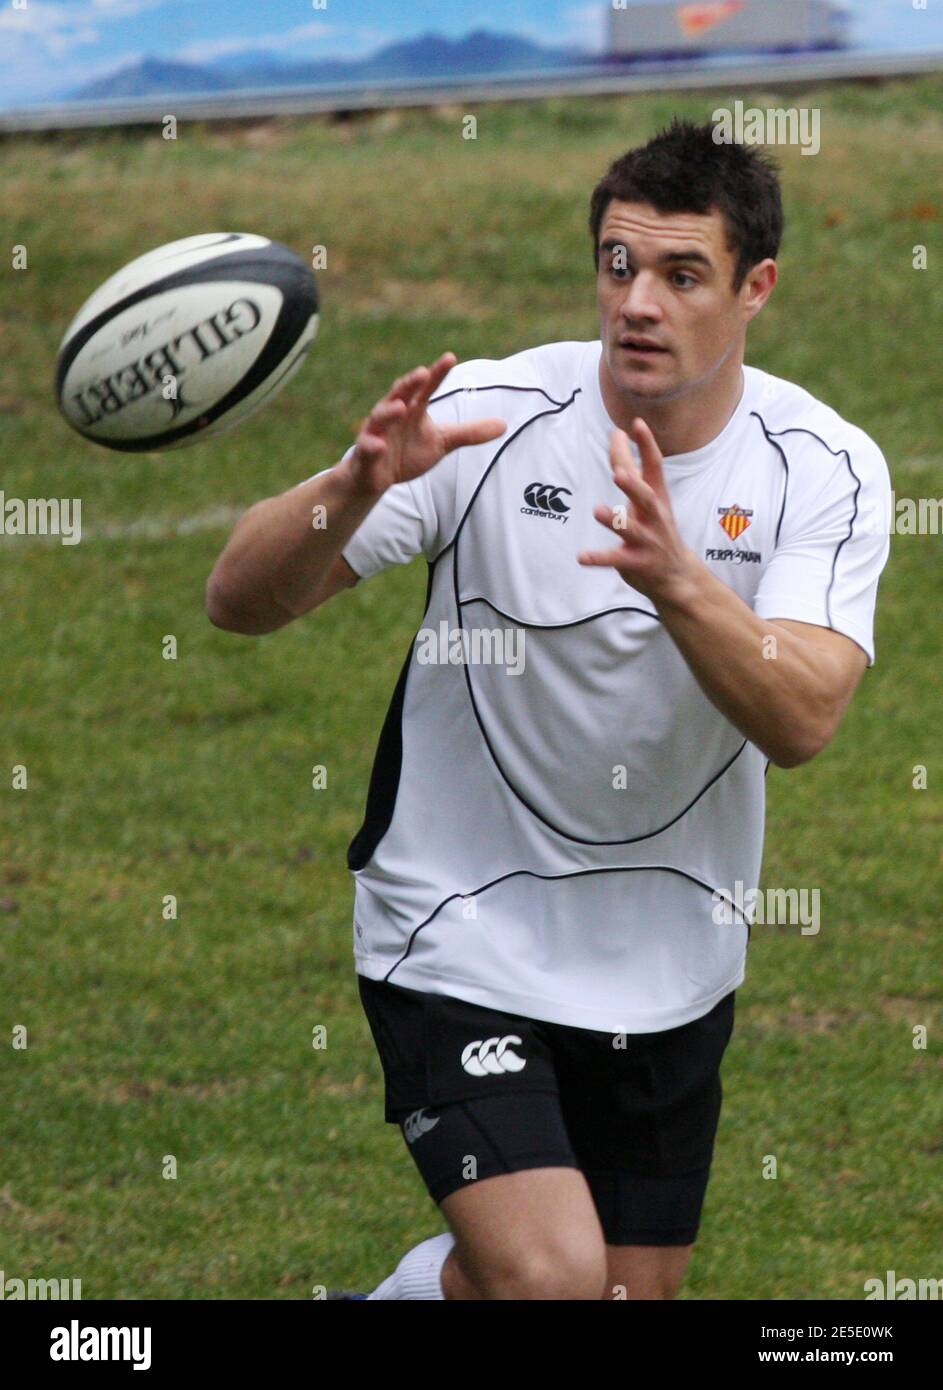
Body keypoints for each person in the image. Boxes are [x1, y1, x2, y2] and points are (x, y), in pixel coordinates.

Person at [205, 118, 892, 1300]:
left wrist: (680, 583)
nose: (638, 301)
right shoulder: (485, 418)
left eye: (682, 275)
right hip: (457, 923)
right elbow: (238, 601)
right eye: (619, 266)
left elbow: (804, 716)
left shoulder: (819, 466)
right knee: (549, 1280)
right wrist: (350, 484)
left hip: (671, 952)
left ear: (754, 289)